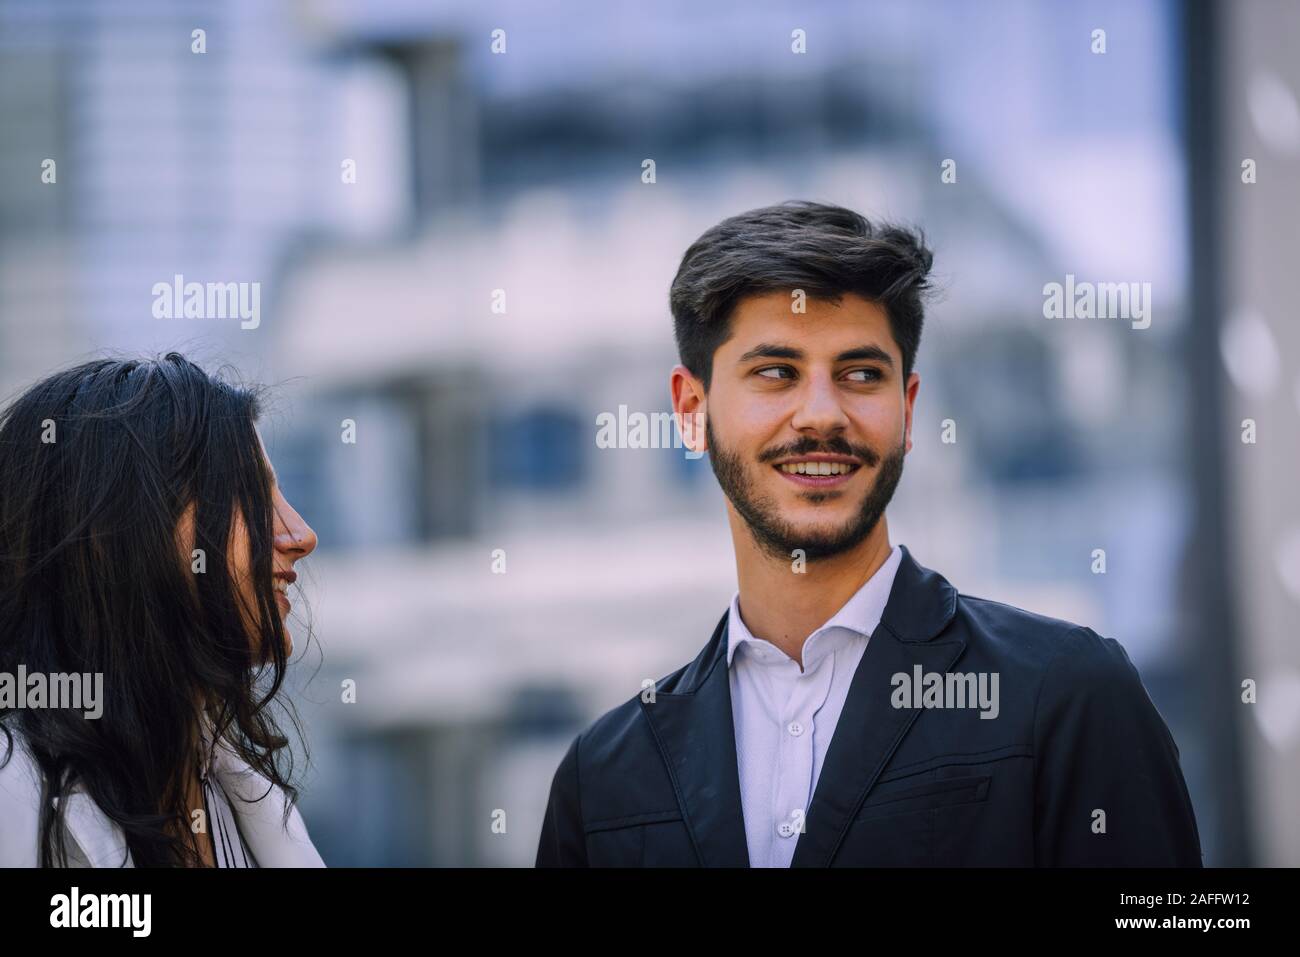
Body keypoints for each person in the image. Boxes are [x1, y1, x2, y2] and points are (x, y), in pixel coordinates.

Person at [536, 201, 1203, 867]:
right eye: (776, 372)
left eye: (860, 374)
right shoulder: (601, 783)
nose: (823, 414)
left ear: (908, 411)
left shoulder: (1066, 696)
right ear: (691, 410)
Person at [0, 353, 325, 867]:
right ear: (120, 534)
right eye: (249, 496)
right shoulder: (9, 799)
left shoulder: (248, 809)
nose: (299, 535)